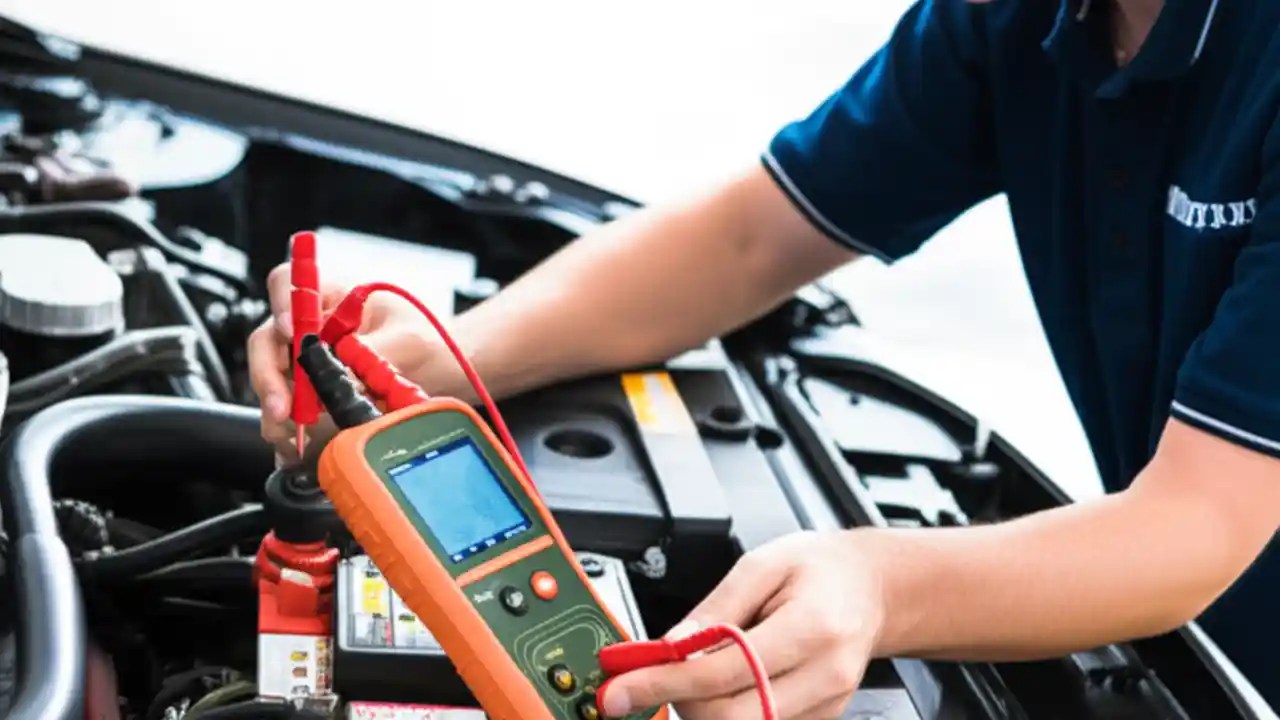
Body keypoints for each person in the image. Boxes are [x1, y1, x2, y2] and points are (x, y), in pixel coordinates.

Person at [249, 0, 1280, 716]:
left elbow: (1196, 520)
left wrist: (875, 583)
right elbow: (751, 238)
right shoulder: (1019, 19)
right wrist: (447, 356)